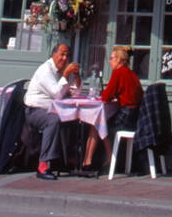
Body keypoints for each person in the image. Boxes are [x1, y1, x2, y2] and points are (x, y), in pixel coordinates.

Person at [80, 45, 144, 175]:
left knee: (96, 123)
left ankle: (91, 161)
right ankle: (96, 159)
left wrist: (111, 94)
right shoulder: (131, 73)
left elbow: (105, 96)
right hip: (134, 116)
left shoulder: (119, 72)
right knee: (100, 122)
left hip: (126, 116)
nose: (109, 61)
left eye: (112, 58)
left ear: (119, 60)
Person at [24, 41, 81, 179]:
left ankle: (70, 160)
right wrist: (66, 75)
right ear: (53, 55)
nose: (64, 58)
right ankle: (43, 166)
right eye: (61, 55)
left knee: (75, 118)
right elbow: (57, 94)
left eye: (67, 56)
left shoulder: (60, 70)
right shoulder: (46, 70)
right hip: (35, 110)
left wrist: (77, 78)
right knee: (53, 121)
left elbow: (74, 94)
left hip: (53, 108)